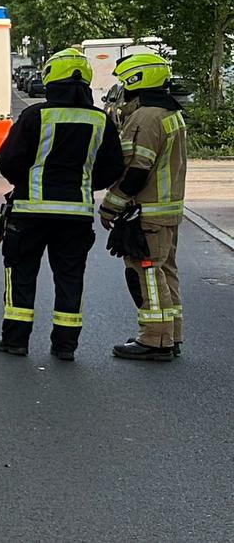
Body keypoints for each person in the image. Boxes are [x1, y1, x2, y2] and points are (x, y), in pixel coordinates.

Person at [0, 48, 124, 360]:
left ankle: (16, 340)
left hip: (30, 214)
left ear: (51, 77)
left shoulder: (35, 115)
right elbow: (114, 167)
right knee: (70, 278)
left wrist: (24, 184)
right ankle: (65, 346)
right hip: (76, 216)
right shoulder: (101, 120)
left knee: (21, 274)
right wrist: (86, 185)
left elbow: (8, 159)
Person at [100, 52, 188, 362]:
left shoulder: (146, 117)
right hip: (167, 212)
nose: (122, 90)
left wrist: (110, 205)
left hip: (146, 212)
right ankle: (171, 333)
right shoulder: (169, 113)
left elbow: (137, 169)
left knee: (145, 272)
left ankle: (154, 339)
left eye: (125, 83)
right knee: (165, 272)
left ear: (137, 81)